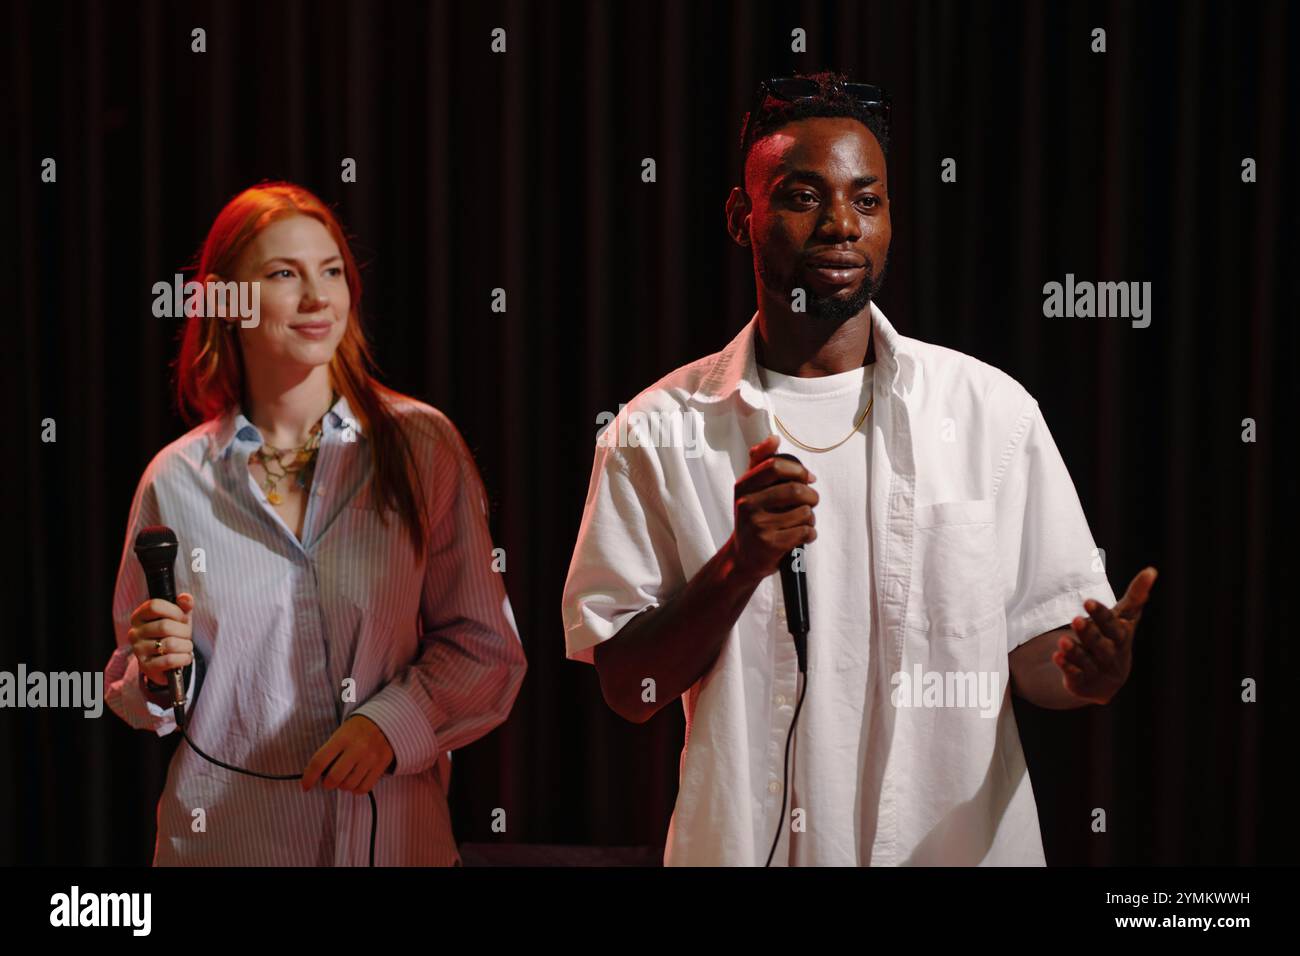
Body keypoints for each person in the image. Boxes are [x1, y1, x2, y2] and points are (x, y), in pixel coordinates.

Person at [561, 73, 1157, 866]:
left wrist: (1089, 672)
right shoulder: (657, 430)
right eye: (804, 197)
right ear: (744, 218)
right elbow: (628, 690)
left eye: (867, 200)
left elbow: (1040, 659)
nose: (842, 224)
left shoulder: (989, 412)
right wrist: (739, 565)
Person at [104, 181, 527, 865]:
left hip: (396, 845)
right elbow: (141, 687)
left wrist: (392, 726)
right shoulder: (175, 481)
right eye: (283, 275)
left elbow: (486, 649)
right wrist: (157, 675)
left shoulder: (423, 447)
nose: (318, 297)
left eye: (331, 271)